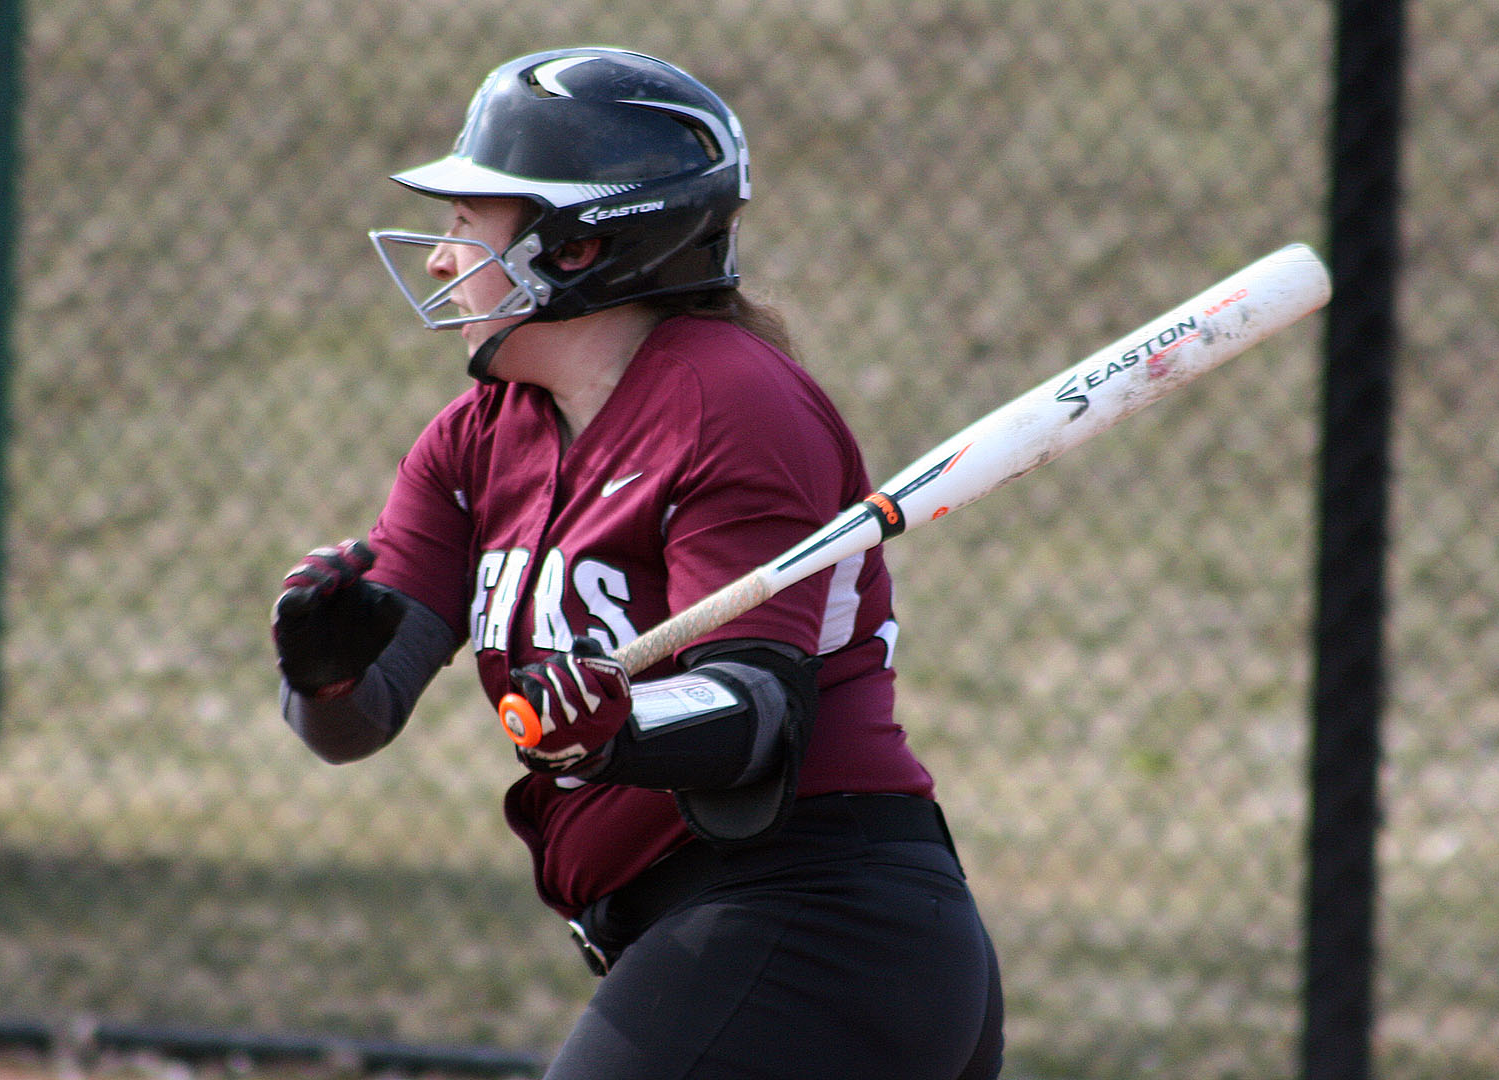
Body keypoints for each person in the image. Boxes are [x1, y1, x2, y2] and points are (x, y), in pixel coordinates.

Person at [272, 47, 1003, 1079]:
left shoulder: (733, 402)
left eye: (469, 224)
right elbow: (354, 724)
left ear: (576, 248)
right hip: (731, 940)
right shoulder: (476, 438)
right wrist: (327, 669)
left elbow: (756, 712)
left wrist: (619, 725)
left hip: (816, 921)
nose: (440, 259)